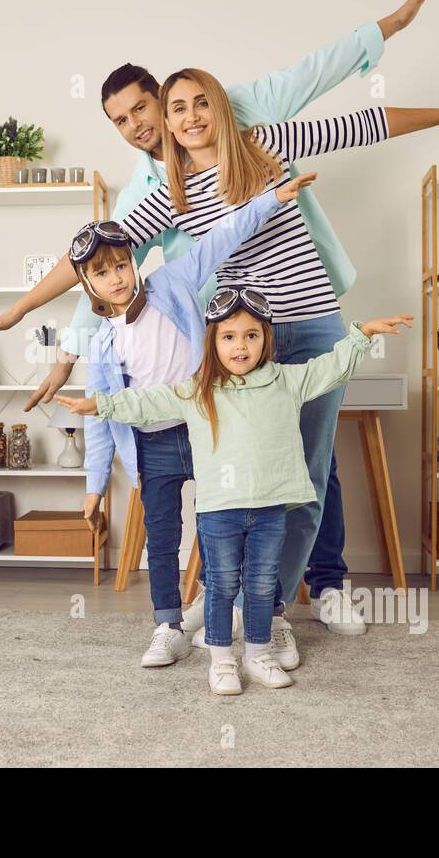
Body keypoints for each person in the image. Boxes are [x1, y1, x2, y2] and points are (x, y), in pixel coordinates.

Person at [0, 64, 439, 646]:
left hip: (313, 326)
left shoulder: (264, 149)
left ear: (218, 106)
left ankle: (278, 609)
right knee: (250, 474)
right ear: (168, 123)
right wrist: (18, 310)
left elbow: (366, 123)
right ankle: (228, 598)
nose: (191, 117)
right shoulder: (169, 196)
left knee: (306, 472)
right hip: (239, 342)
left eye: (200, 103)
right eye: (179, 110)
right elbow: (93, 256)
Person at [59, 293, 413, 695]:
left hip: (270, 510)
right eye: (228, 337)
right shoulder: (197, 390)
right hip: (218, 513)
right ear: (213, 343)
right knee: (222, 586)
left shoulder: (286, 381)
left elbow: (329, 368)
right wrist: (100, 404)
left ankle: (258, 655)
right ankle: (222, 662)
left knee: (263, 587)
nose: (240, 346)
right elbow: (145, 400)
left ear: (266, 339)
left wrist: (361, 335)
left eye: (250, 336)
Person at [68, 179, 310, 668]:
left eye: (120, 264)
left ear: (133, 261)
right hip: (151, 443)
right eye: (102, 272)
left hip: (207, 430)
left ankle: (249, 612)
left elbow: (221, 237)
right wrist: (94, 487)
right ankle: (168, 625)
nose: (115, 277)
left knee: (230, 521)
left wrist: (270, 200)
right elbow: (100, 416)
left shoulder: (172, 283)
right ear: (87, 285)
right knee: (161, 535)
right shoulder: (102, 345)